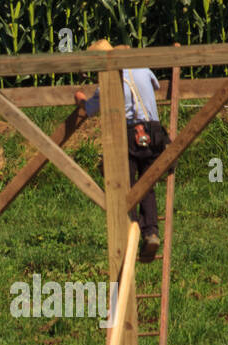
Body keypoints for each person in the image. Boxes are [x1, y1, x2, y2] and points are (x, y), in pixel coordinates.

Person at [75, 40, 171, 262]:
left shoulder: (106, 84)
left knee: (124, 187)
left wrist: (80, 100)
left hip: (127, 135)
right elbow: (155, 86)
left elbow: (89, 110)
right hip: (154, 132)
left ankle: (130, 231)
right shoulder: (143, 69)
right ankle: (151, 233)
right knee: (147, 185)